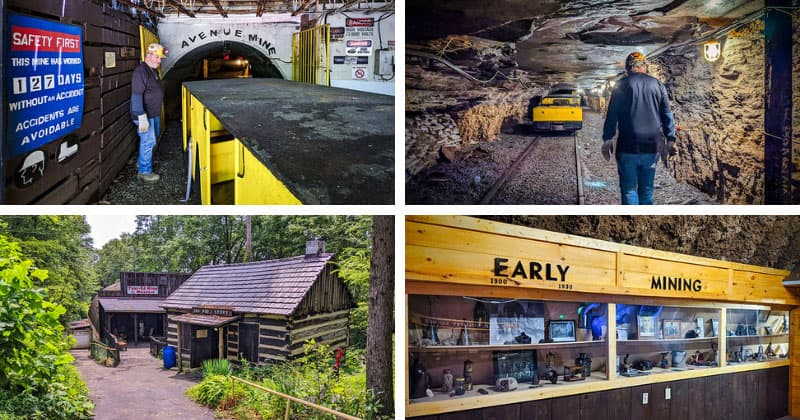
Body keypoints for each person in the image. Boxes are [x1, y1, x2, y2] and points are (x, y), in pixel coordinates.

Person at [601, 52, 676, 205]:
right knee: (647, 188)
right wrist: (670, 138)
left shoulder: (621, 85)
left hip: (627, 146)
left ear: (628, 68)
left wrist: (607, 139)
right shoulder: (657, 85)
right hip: (652, 146)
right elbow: (667, 114)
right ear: (644, 66)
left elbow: (612, 114)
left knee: (629, 189)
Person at [130, 43, 167, 182]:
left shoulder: (153, 71)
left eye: (160, 58)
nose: (160, 60)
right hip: (144, 115)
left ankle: (141, 162)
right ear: (149, 56)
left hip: (152, 114)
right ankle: (144, 172)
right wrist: (141, 116)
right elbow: (137, 95)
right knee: (148, 141)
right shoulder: (141, 72)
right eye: (158, 57)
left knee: (152, 139)